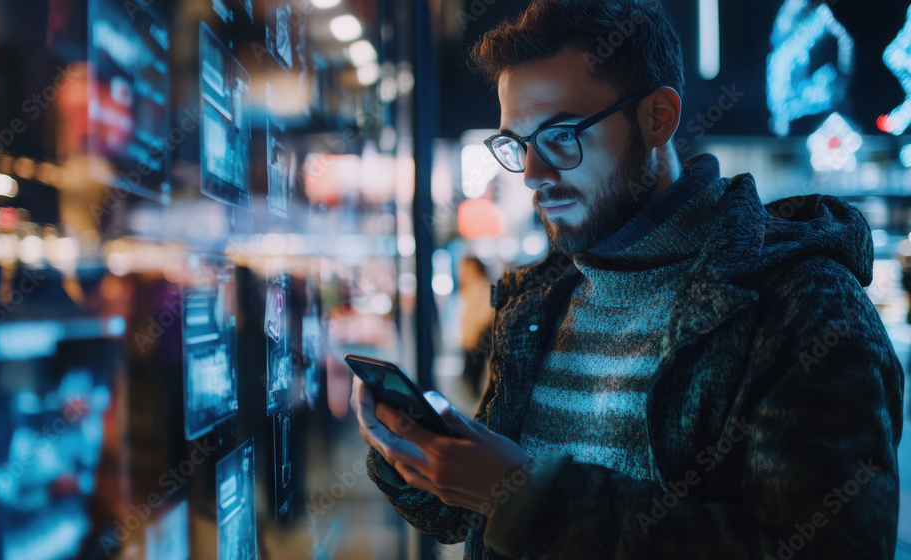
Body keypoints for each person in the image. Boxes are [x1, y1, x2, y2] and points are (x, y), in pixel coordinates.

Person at [349, 1, 903, 559]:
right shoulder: (541, 296)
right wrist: (413, 453)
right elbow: (476, 516)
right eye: (516, 145)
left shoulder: (805, 305)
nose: (534, 175)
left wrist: (525, 497)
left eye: (561, 135)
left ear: (658, 117)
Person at [458, 256, 495, 398]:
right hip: (470, 335)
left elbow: (486, 312)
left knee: (473, 373)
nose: (464, 271)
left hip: (479, 334)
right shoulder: (468, 287)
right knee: (469, 373)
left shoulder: (484, 286)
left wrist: (477, 330)